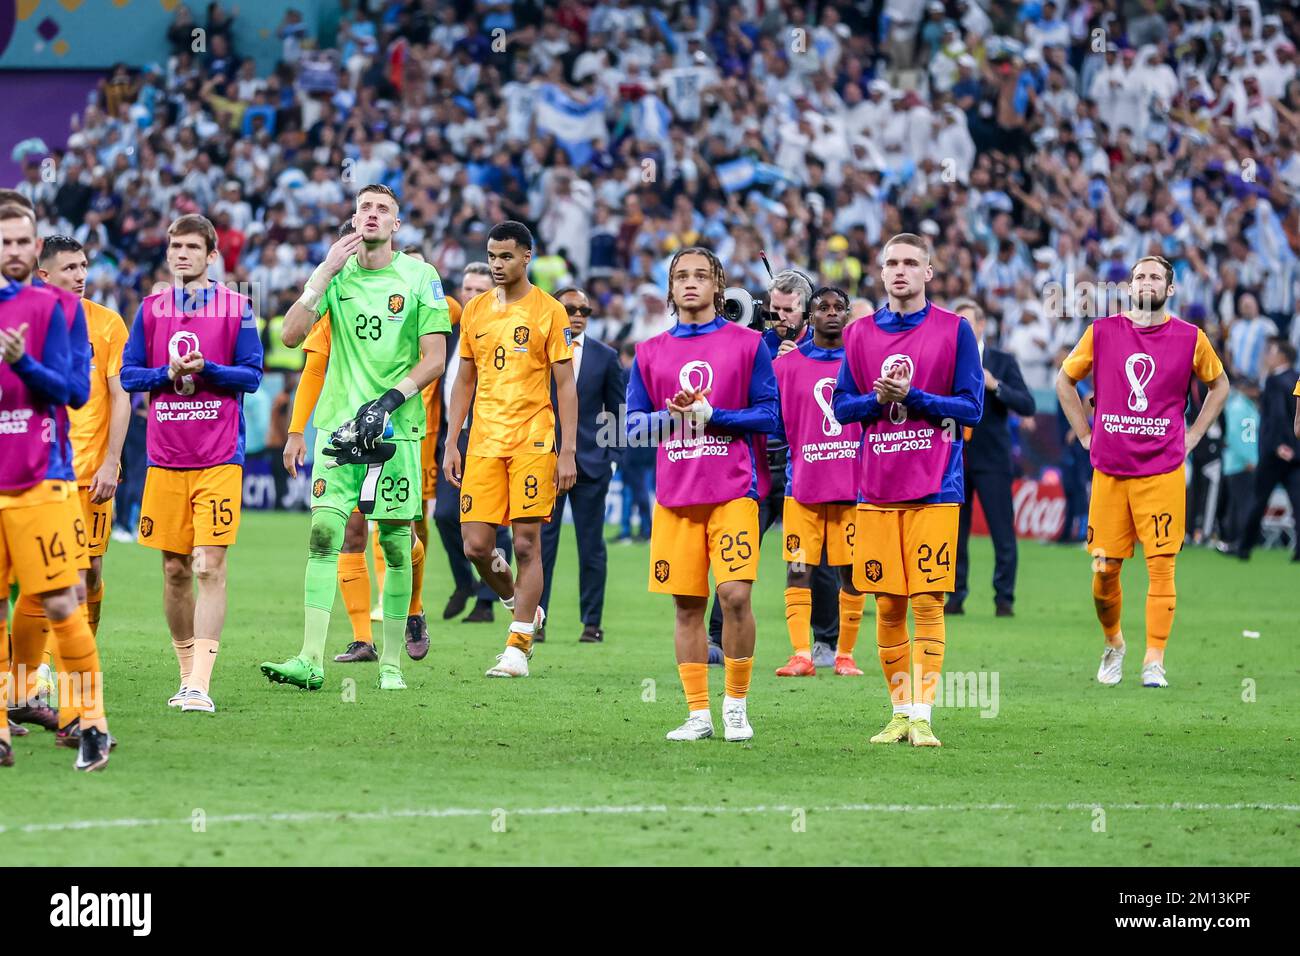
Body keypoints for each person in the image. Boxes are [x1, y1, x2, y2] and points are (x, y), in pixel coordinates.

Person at [261, 184, 449, 692]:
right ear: (354, 218)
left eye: (383, 209)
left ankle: (390, 665)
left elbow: (435, 358)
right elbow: (290, 336)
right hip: (339, 430)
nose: (372, 214)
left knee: (395, 542)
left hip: (397, 429)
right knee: (326, 534)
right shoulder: (336, 275)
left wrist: (387, 402)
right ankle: (310, 659)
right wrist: (322, 274)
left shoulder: (420, 277)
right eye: (365, 207)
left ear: (396, 225)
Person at [833, 233, 984, 748]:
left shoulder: (955, 330)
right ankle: (899, 713)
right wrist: (876, 401)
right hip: (876, 488)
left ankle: (923, 715)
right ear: (881, 273)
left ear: (928, 272)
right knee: (888, 604)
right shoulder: (859, 334)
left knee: (927, 601)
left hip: (936, 486)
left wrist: (914, 397)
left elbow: (972, 408)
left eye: (910, 263)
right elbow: (841, 407)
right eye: (892, 263)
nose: (900, 271)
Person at [625, 246, 778, 742]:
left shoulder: (748, 345)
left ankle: (735, 705)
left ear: (717, 285)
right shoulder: (649, 352)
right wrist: (672, 416)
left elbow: (770, 415)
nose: (690, 283)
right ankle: (698, 714)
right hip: (676, 497)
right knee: (687, 606)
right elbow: (632, 426)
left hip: (734, 491)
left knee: (734, 595)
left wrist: (714, 416)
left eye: (700, 275)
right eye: (681, 277)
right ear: (671, 289)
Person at [1056, 255, 1228, 689]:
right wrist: (1084, 434)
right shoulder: (1102, 331)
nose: (1145, 282)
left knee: (1162, 566)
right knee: (1103, 571)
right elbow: (1064, 380)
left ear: (1170, 289)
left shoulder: (1191, 337)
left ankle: (1155, 659)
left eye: (1154, 276)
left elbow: (1220, 385)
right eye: (1139, 276)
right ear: (1129, 287)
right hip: (1110, 470)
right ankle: (1114, 643)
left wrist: (1192, 435)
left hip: (1162, 469)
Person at [120, 213, 264, 714]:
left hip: (219, 457)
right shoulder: (151, 309)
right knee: (175, 569)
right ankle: (185, 675)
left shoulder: (238, 308)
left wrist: (210, 369)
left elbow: (252, 376)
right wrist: (165, 373)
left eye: (192, 247)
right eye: (175, 247)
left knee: (209, 565)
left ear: (211, 255)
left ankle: (200, 683)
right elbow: (129, 375)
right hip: (165, 458)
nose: (182, 255)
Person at [442, 221, 578, 678]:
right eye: (492, 256)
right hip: (483, 442)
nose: (497, 265)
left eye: (506, 256)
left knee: (525, 542)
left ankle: (518, 647)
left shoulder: (550, 311)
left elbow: (565, 385)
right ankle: (520, 604)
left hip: (533, 441)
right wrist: (453, 440)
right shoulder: (475, 311)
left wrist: (567, 451)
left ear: (526, 257)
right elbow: (464, 379)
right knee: (476, 546)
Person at [0, 230, 111, 770]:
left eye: (23, 239)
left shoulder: (62, 311)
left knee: (65, 599)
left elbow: (76, 392)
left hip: (43, 479)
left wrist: (23, 363)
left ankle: (89, 722)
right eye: (5, 241)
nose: (14, 249)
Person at [708, 269, 840, 666]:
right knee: (738, 550)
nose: (780, 317)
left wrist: (796, 363)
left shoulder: (822, 347)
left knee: (814, 559)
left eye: (788, 310)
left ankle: (826, 641)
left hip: (806, 464)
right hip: (761, 464)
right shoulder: (757, 344)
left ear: (807, 310)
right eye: (774, 309)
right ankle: (716, 638)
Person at [33, 235, 129, 745]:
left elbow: (120, 396)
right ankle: (45, 683)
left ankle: (68, 669)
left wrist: (112, 460)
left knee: (88, 573)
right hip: (39, 474)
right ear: (44, 275)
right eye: (69, 267)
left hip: (91, 473)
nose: (80, 275)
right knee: (50, 580)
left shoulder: (107, 324)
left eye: (84, 265)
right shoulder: (25, 322)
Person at [771, 286, 868, 677]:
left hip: (852, 489)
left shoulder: (863, 364)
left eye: (838, 307)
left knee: (852, 573)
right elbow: (774, 426)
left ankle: (845, 655)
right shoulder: (785, 366)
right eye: (822, 307)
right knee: (798, 569)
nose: (831, 313)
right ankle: (801, 655)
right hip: (802, 488)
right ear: (809, 318)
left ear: (847, 315)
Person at [538, 286, 626, 644]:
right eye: (570, 309)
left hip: (592, 465)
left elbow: (617, 411)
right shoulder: (538, 351)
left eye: (584, 310)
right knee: (539, 547)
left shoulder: (606, 356)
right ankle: (534, 620)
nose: (578, 316)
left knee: (591, 548)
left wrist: (613, 459)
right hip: (543, 461)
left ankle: (592, 623)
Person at [431, 262, 514, 624]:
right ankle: (465, 581)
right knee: (445, 516)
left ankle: (487, 599)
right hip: (453, 437)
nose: (472, 295)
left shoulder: (504, 331)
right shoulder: (449, 333)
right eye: (467, 288)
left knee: (495, 525)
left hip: (492, 436)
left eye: (480, 289)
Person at [949, 298, 1036, 616]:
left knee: (1002, 532)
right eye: (958, 324)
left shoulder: (1001, 361)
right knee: (954, 534)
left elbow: (1027, 404)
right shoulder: (946, 358)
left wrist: (995, 385)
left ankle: (1004, 598)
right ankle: (954, 596)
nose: (962, 330)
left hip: (993, 459)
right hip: (954, 459)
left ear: (982, 325)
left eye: (968, 323)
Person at [1235, 339, 1300, 561]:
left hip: (1275, 453)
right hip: (1296, 452)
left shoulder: (1274, 381)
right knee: (1298, 501)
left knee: (1258, 499)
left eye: (1271, 353)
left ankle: (1243, 546)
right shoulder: (1296, 378)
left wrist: (1280, 445)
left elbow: (1277, 415)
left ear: (1282, 357)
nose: (1267, 357)